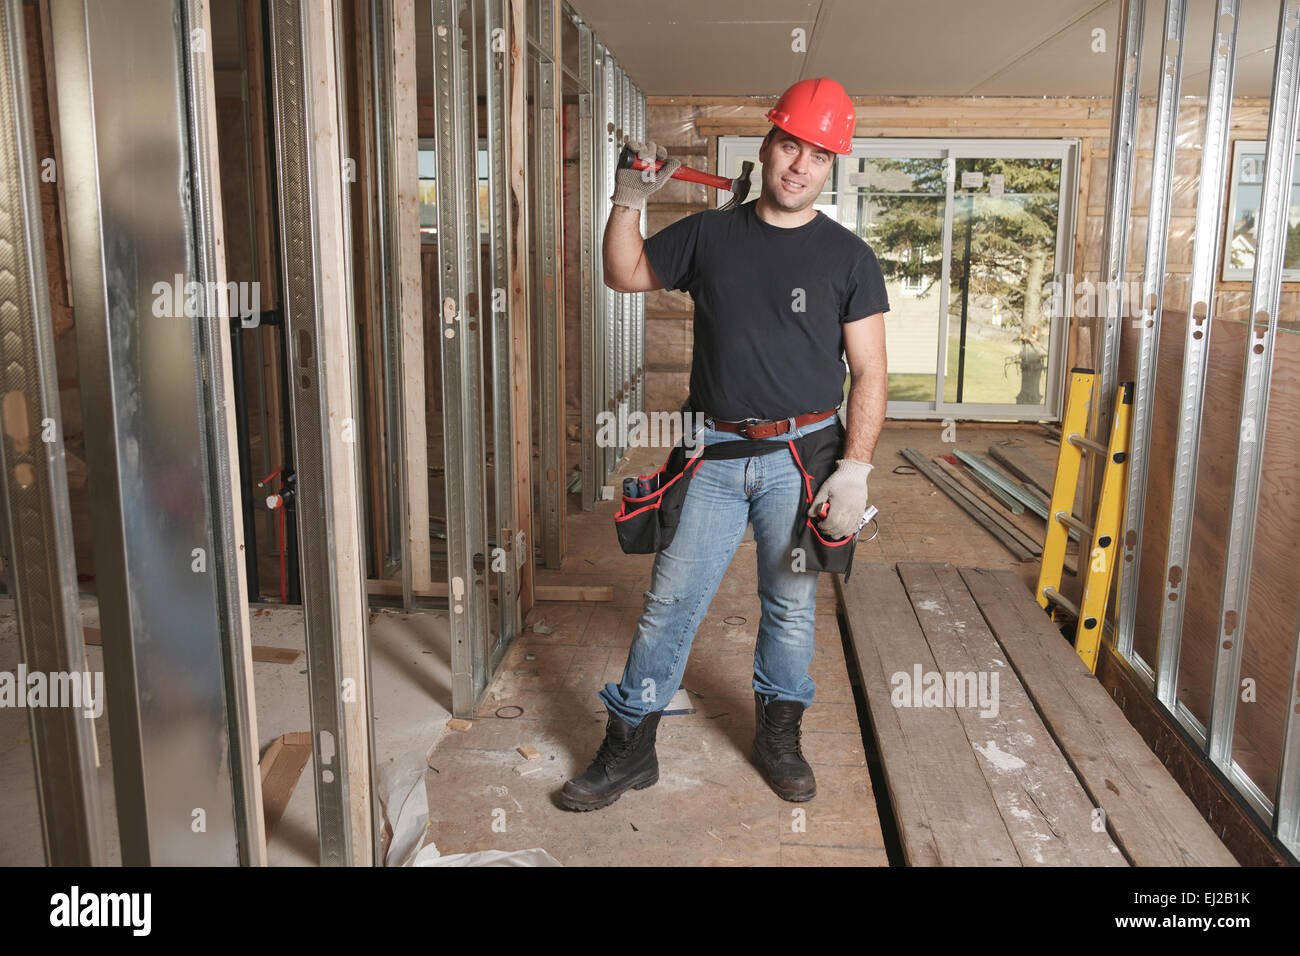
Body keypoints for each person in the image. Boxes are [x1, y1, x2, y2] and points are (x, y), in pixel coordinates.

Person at [559, 77, 889, 811]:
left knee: (792, 603)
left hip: (804, 464)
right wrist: (629, 201)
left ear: (831, 167)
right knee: (670, 602)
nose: (800, 166)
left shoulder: (848, 258)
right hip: (711, 457)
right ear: (767, 146)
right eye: (790, 146)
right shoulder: (711, 235)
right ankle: (629, 750)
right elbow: (623, 271)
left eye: (819, 155)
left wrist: (856, 470)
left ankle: (778, 735)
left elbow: (869, 371)